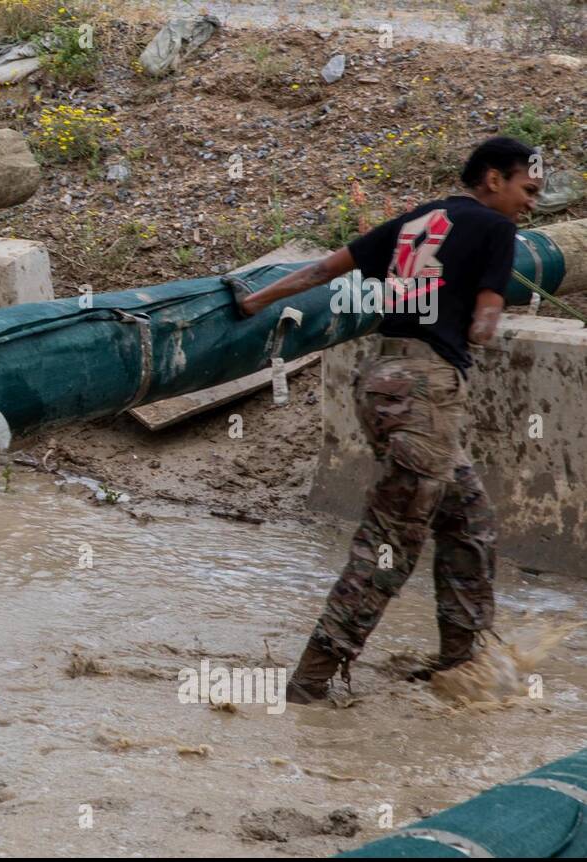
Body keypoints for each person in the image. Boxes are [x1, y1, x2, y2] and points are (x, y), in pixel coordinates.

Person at [227, 136, 542, 704]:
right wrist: (482, 327)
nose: (531, 203)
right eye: (528, 188)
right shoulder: (497, 230)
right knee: (392, 540)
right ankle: (309, 684)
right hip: (427, 393)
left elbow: (324, 269)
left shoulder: (420, 218)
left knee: (469, 519)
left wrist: (256, 301)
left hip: (381, 381)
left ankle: (460, 667)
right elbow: (487, 312)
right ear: (493, 179)